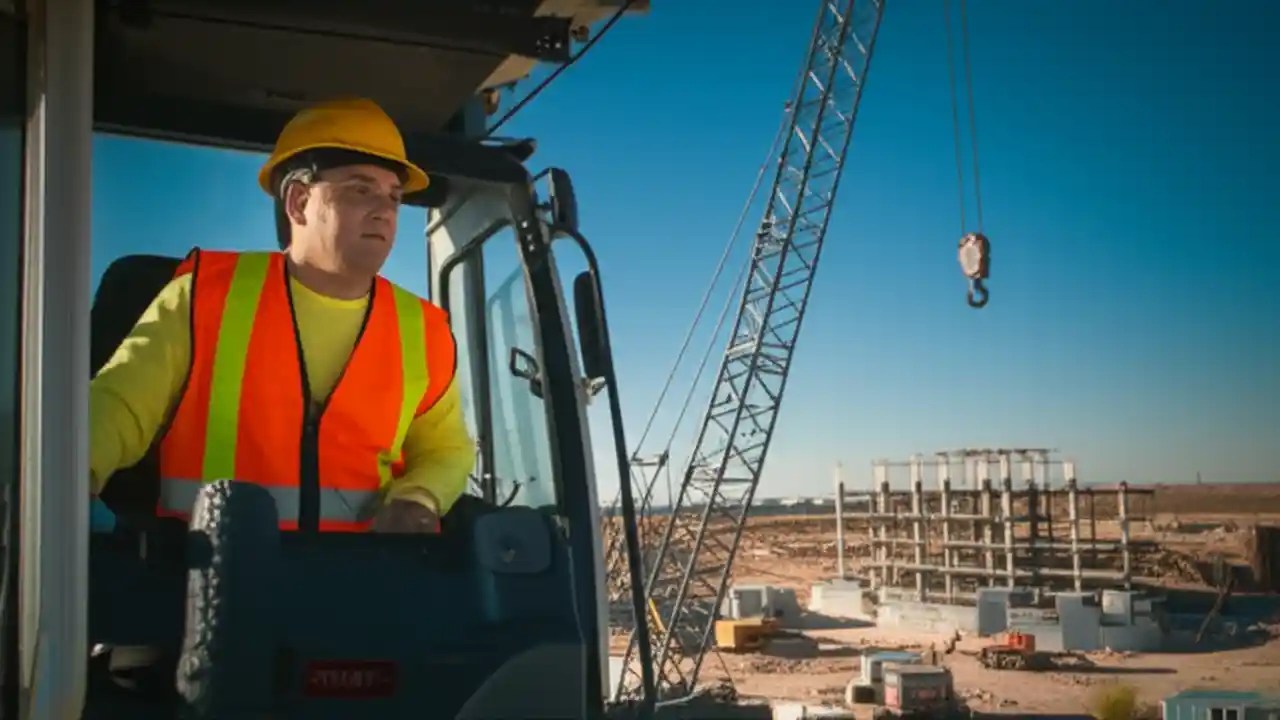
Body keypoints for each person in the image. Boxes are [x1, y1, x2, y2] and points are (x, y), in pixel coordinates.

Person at [89, 97, 475, 534]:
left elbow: (447, 450)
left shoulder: (424, 329)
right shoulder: (200, 297)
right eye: (360, 189)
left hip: (365, 583)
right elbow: (116, 409)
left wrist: (417, 498)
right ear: (298, 201)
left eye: (394, 196)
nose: (385, 210)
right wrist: (65, 481)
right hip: (210, 579)